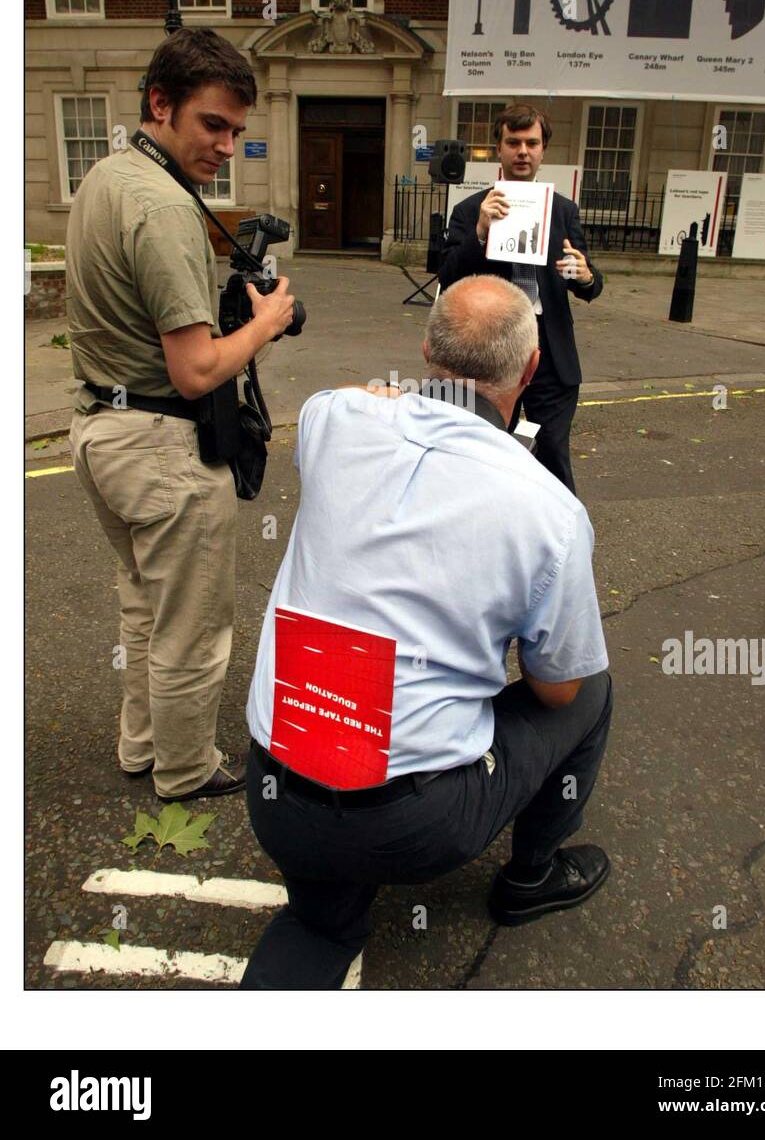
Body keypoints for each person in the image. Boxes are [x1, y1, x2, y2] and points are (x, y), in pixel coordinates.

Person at [241, 275, 612, 990]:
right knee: (591, 685)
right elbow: (556, 689)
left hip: (277, 797)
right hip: (415, 825)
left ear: (423, 350)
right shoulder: (549, 511)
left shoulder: (331, 419)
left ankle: (323, 916)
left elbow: (343, 397)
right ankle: (531, 877)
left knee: (317, 927)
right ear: (529, 372)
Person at [67, 28, 296, 802]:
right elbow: (197, 367)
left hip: (99, 428)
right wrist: (264, 324)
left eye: (237, 129)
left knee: (144, 605)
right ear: (159, 103)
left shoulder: (107, 175)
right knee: (191, 625)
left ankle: (142, 747)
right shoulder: (164, 207)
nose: (227, 144)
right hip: (161, 445)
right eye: (212, 124)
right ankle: (186, 769)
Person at [438, 103, 602, 494]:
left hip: (551, 353)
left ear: (543, 150)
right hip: (491, 351)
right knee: (487, 452)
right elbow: (448, 276)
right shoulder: (468, 210)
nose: (523, 151)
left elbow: (589, 285)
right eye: (513, 142)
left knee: (552, 453)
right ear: (499, 148)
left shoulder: (563, 210)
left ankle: (560, 538)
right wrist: (479, 230)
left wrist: (585, 275)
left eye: (532, 142)